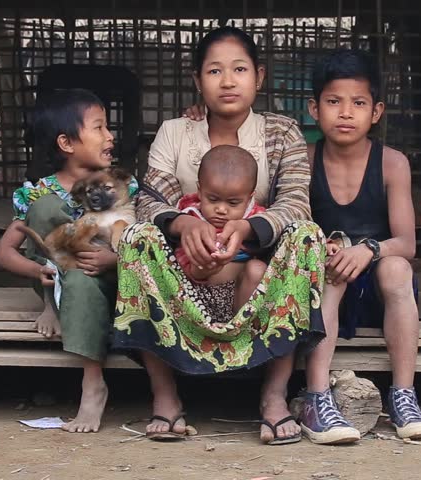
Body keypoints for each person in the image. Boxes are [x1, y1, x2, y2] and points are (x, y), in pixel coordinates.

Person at [113, 26, 325, 445]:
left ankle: (274, 395)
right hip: (182, 287)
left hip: (256, 285)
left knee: (307, 234)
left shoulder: (282, 133)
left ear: (259, 76)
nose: (228, 81)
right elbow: (151, 200)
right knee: (138, 236)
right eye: (214, 71)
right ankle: (165, 395)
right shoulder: (176, 132)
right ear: (197, 80)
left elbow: (296, 202)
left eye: (239, 69)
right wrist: (184, 224)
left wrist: (247, 228)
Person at [300, 49, 421, 444]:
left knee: (397, 268)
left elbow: (407, 243)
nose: (346, 113)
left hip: (378, 290)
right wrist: (326, 249)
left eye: (358, 103)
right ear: (314, 108)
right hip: (323, 288)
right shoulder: (305, 160)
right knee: (332, 270)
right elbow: (295, 226)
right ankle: (316, 397)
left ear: (376, 112)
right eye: (333, 102)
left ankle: (403, 397)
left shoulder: (391, 163)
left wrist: (368, 250)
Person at [0, 89, 137, 433]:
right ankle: (56, 314)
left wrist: (112, 259)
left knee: (91, 265)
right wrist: (37, 271)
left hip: (105, 276)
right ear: (67, 143)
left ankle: (92, 385)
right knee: (46, 212)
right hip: (56, 279)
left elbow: (137, 241)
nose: (110, 136)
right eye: (99, 128)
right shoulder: (36, 193)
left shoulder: (119, 185)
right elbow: (4, 253)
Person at [174, 145, 266, 319]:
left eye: (233, 203)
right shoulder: (192, 216)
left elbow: (274, 244)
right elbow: (180, 259)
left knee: (257, 269)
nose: (221, 209)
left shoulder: (256, 219)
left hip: (240, 299)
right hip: (197, 299)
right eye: (213, 199)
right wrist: (200, 269)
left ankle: (242, 332)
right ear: (200, 191)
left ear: (249, 198)